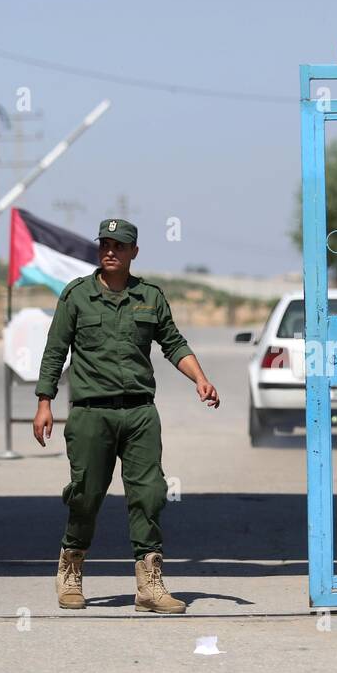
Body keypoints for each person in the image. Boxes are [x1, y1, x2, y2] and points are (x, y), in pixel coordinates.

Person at [33, 217, 219, 613]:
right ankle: (71, 568)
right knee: (85, 495)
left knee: (150, 494)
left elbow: (173, 343)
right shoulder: (77, 295)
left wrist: (200, 379)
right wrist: (44, 402)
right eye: (105, 244)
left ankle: (149, 584)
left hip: (139, 414)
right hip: (90, 414)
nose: (110, 251)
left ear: (134, 252)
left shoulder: (149, 297)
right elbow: (55, 350)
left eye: (119, 246)